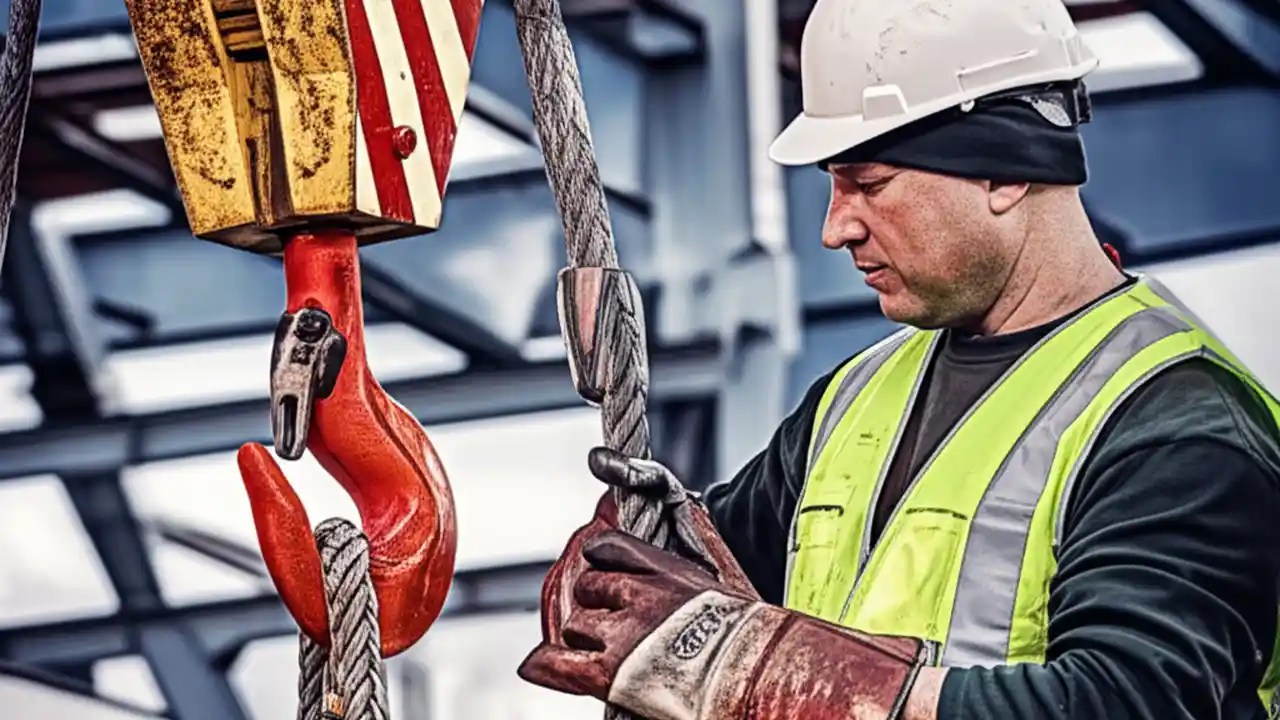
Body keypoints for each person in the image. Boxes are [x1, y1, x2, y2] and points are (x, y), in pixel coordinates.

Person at [515, 0, 1280, 717]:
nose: (835, 228)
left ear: (1005, 173)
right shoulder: (854, 400)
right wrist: (650, 555)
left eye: (868, 184)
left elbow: (1123, 701)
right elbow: (710, 590)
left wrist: (758, 667)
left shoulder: (1181, 428)